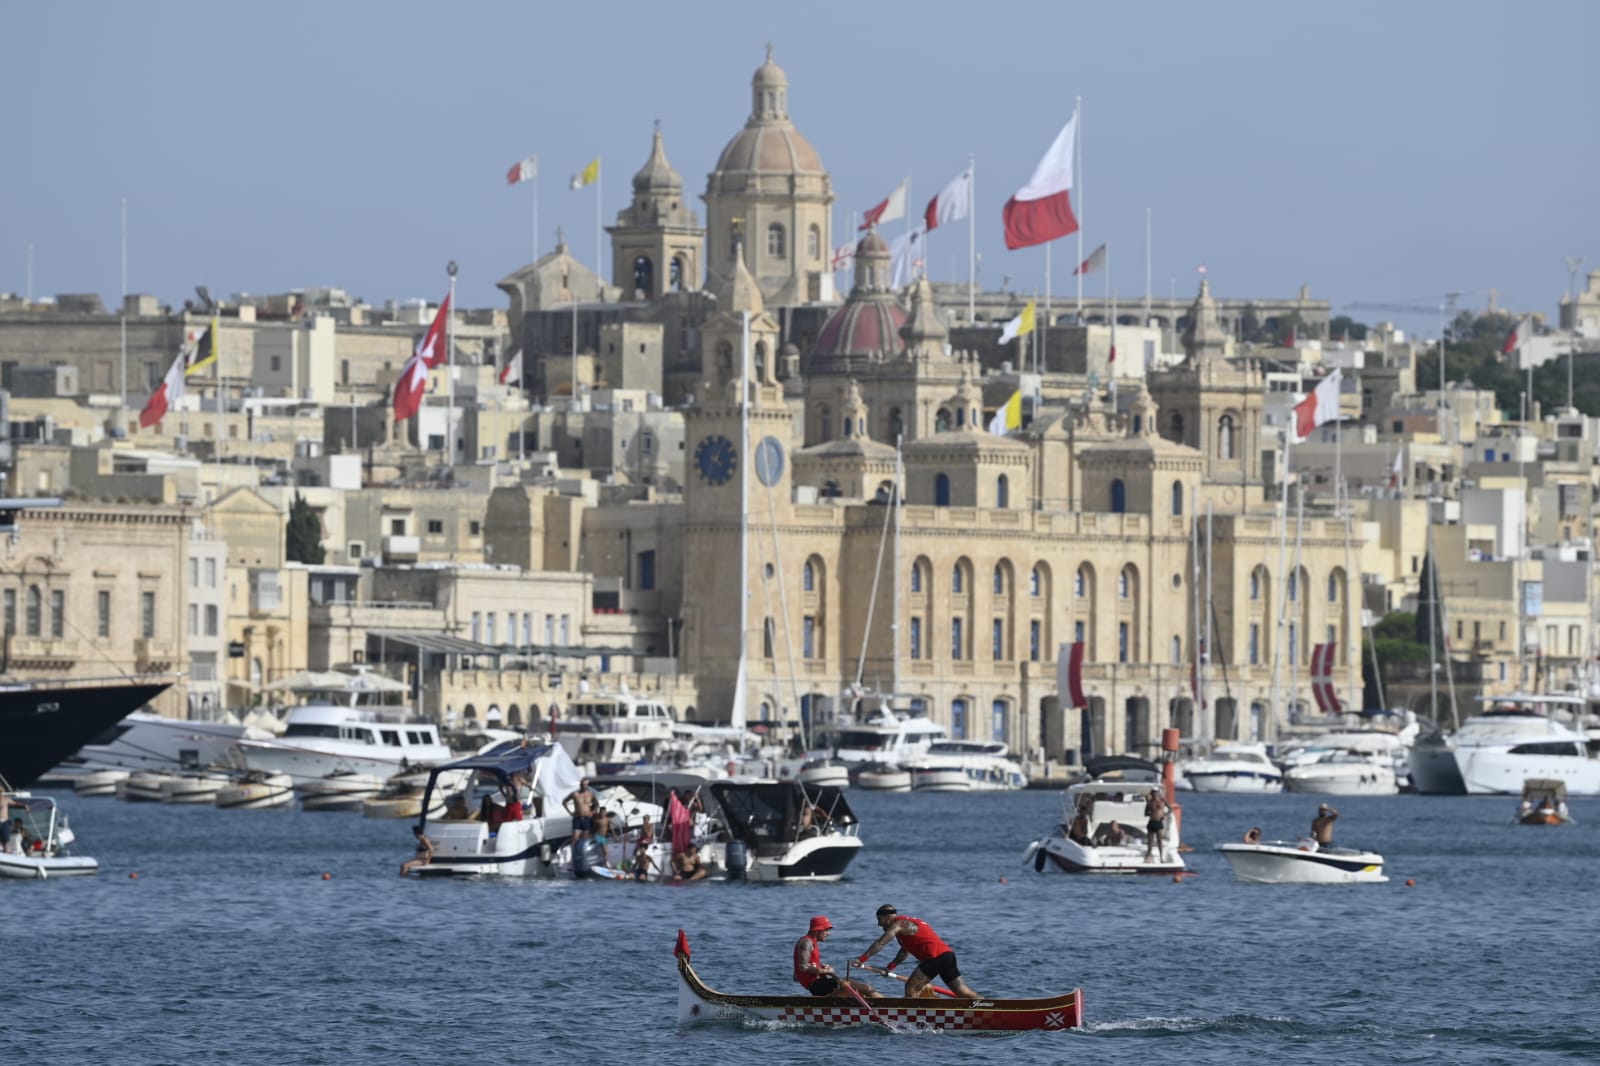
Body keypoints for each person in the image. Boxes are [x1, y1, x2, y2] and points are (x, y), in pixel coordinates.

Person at [856, 904, 979, 999]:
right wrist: (891, 967)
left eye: (880, 920)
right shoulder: (906, 928)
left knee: (911, 988)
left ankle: (915, 1022)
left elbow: (880, 942)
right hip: (947, 956)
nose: (879, 924)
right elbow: (905, 951)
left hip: (935, 957)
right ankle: (987, 1006)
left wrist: (861, 959)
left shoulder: (898, 924)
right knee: (963, 991)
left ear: (888, 918)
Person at [794, 916, 878, 999]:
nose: (828, 933)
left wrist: (821, 968)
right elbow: (803, 967)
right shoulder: (806, 942)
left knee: (860, 993)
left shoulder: (811, 942)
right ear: (817, 930)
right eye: (826, 930)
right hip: (817, 986)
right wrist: (825, 971)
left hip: (820, 984)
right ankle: (886, 1005)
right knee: (866, 988)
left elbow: (798, 974)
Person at [1143, 790, 1169, 863]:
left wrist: (1164, 814)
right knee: (1150, 841)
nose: (1154, 796)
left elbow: (1170, 809)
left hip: (1159, 822)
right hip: (1152, 821)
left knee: (1159, 840)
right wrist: (1150, 813)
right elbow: (1145, 813)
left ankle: (1161, 857)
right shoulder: (1150, 803)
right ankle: (1149, 854)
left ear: (1158, 794)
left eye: (1156, 794)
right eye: (1153, 794)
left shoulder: (1162, 801)